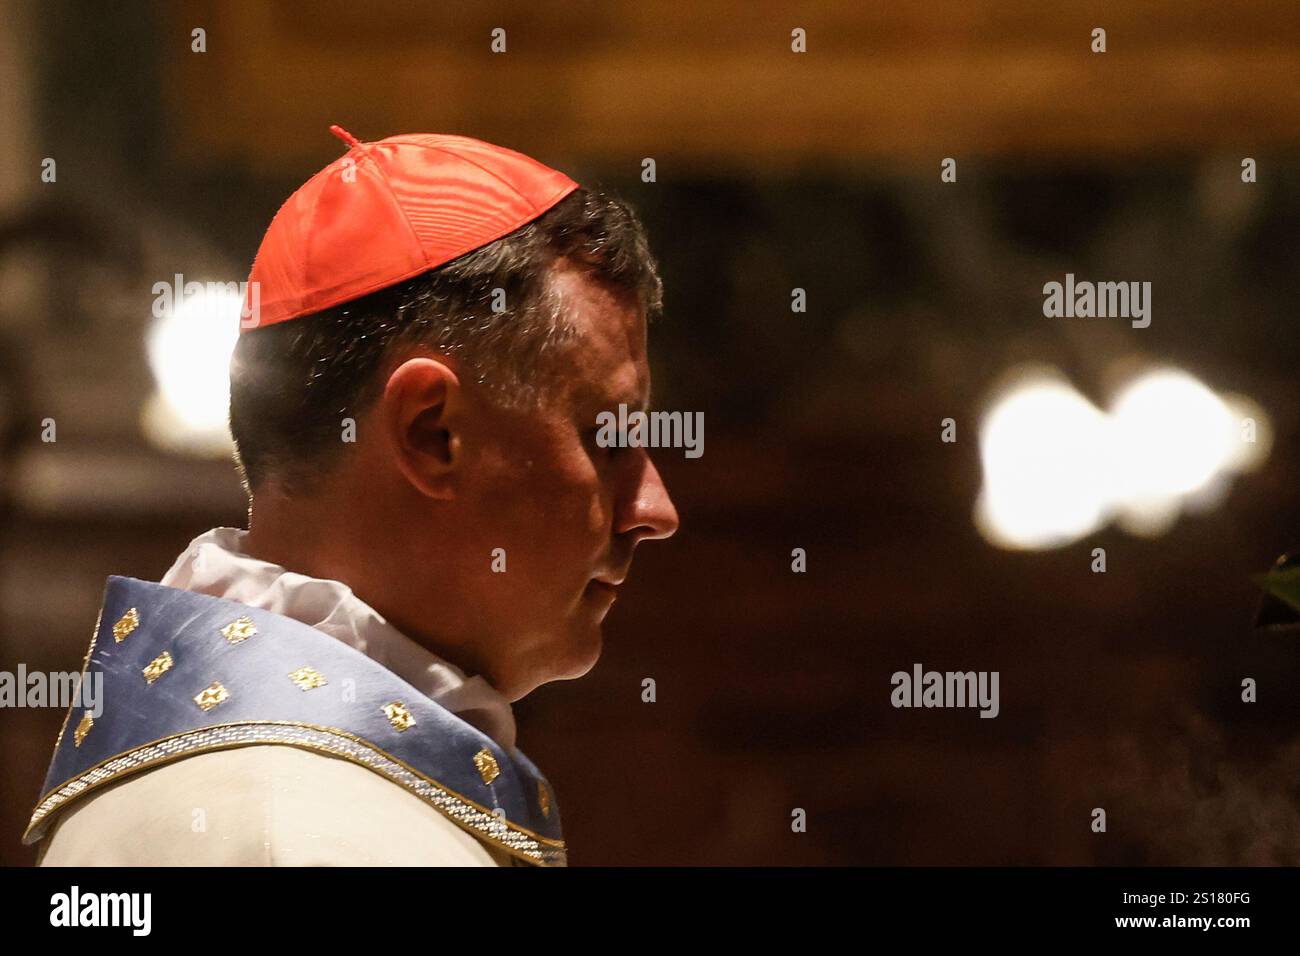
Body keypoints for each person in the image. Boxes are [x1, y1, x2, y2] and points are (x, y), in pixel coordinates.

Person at [24, 127, 680, 866]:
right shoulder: (297, 829)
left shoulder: (281, 783)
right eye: (606, 437)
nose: (654, 511)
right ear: (432, 434)